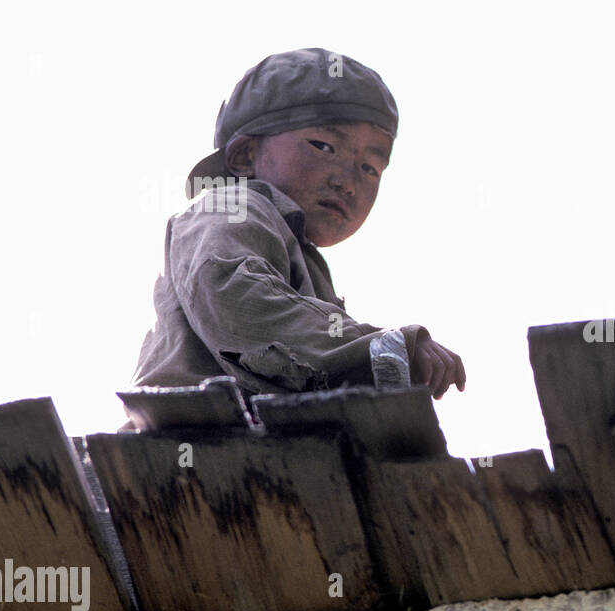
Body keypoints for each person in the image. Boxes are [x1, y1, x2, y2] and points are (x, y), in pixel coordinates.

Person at [129, 48, 465, 407]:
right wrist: (382, 348)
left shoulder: (301, 255)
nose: (348, 183)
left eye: (369, 168)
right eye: (323, 146)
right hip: (191, 443)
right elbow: (235, 294)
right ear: (244, 156)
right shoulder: (231, 207)